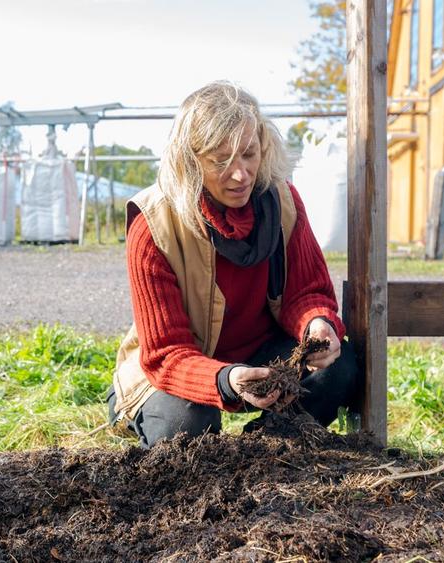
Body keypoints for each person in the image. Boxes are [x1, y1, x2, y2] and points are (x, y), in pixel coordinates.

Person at [107, 81, 359, 448]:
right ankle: (144, 417)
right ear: (190, 160)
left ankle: (263, 450)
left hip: (260, 353)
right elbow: (165, 353)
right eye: (220, 161)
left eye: (249, 154)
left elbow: (305, 292)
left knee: (339, 365)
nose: (240, 174)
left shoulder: (283, 201)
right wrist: (225, 379)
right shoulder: (154, 223)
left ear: (263, 147)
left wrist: (316, 323)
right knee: (189, 425)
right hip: (175, 370)